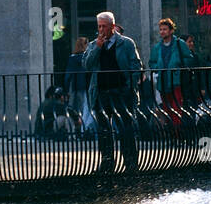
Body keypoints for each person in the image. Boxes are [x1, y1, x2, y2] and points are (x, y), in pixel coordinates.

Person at [82, 11, 143, 174]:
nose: (101, 30)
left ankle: (130, 163)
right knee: (104, 130)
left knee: (125, 128)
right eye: (99, 26)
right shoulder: (94, 44)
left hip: (121, 91)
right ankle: (107, 163)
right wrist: (97, 48)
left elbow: (136, 65)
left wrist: (130, 86)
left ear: (112, 27)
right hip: (101, 92)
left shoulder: (126, 43)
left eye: (104, 26)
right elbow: (87, 65)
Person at [147, 17, 195, 134]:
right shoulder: (157, 47)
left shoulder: (179, 44)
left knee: (177, 107)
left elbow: (189, 59)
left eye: (165, 29)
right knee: (167, 108)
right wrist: (158, 69)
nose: (162, 32)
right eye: (161, 29)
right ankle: (171, 133)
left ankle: (178, 133)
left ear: (171, 30)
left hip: (176, 81)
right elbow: (152, 62)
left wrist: (178, 67)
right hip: (163, 81)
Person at [64, 36, 95, 132]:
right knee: (86, 109)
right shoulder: (87, 57)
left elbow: (68, 75)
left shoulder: (72, 58)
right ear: (85, 45)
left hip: (76, 87)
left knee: (76, 110)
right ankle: (84, 130)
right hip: (86, 86)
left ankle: (77, 130)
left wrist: (66, 89)